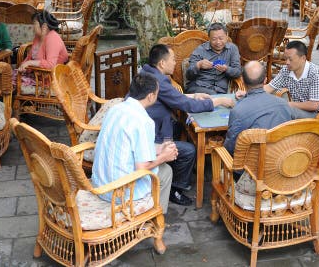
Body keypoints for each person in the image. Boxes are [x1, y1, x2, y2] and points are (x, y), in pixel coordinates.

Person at [143, 44, 234, 206]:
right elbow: (188, 106)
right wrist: (218, 100)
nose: (175, 63)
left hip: (157, 126)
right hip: (150, 136)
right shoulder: (159, 82)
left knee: (179, 128)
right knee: (189, 150)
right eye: (172, 59)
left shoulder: (148, 73)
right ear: (162, 63)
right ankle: (175, 189)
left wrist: (194, 95)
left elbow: (172, 97)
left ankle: (177, 170)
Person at [92, 73, 178, 214]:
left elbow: (128, 146)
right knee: (166, 171)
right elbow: (141, 168)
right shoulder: (143, 121)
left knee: (160, 164)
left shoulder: (115, 109)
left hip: (100, 183)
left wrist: (160, 148)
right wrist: (164, 156)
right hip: (119, 193)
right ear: (151, 96)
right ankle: (153, 217)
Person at [224, 61, 292, 154]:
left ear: (242, 81)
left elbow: (230, 149)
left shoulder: (237, 111)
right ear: (265, 80)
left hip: (250, 167)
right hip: (279, 162)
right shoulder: (284, 104)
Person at [260, 41, 319, 119]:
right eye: (286, 58)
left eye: (290, 59)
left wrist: (288, 104)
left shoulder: (315, 73)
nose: (287, 62)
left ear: (303, 58)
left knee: (285, 111)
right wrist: (250, 93)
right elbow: (270, 87)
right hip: (302, 110)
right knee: (275, 109)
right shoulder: (287, 70)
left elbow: (314, 105)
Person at [15, 10, 69, 88]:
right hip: (38, 76)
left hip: (51, 80)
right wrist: (23, 66)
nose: (33, 27)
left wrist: (30, 63)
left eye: (35, 24)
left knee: (11, 83)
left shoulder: (52, 38)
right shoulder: (38, 37)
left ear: (44, 26)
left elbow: (51, 65)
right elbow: (30, 56)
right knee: (7, 78)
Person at [186, 23, 241, 95]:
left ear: (227, 36)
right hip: (199, 87)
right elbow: (188, 75)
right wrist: (198, 65)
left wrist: (226, 69)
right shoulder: (200, 50)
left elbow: (238, 72)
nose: (218, 42)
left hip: (221, 89)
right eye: (214, 39)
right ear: (209, 38)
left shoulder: (232, 49)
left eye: (221, 38)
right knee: (213, 95)